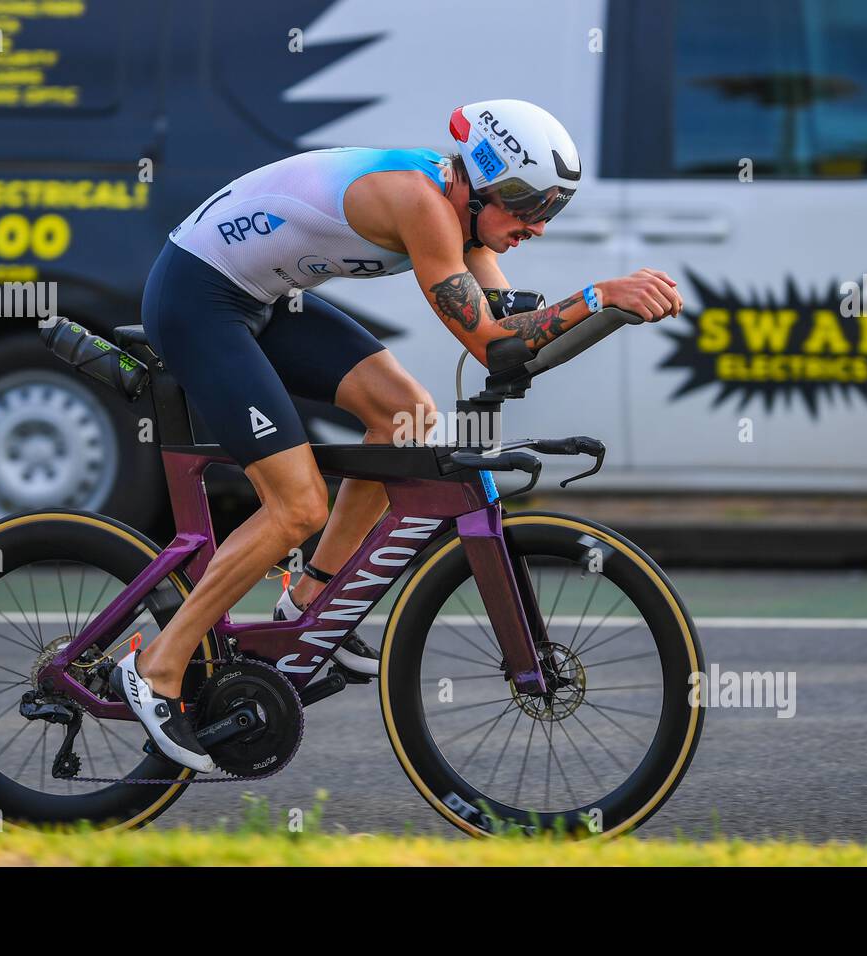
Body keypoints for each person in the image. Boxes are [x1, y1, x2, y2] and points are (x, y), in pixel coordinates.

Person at [111, 99, 684, 771]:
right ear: (482, 184)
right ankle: (158, 665)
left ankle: (313, 596)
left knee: (405, 414)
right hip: (197, 298)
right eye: (529, 208)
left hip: (264, 298)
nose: (537, 227)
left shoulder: (464, 214)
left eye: (550, 211)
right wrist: (596, 298)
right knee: (296, 504)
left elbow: (513, 324)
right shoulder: (421, 203)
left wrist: (609, 311)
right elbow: (496, 342)